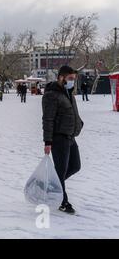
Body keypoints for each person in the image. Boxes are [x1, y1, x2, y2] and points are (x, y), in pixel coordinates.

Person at [42, 66, 84, 214]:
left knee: (75, 166)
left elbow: (72, 112)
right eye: (71, 78)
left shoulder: (68, 93)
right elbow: (48, 119)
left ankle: (51, 187)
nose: (73, 81)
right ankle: (63, 201)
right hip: (59, 138)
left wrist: (79, 123)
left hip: (70, 136)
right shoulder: (51, 95)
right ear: (61, 77)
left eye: (74, 79)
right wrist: (48, 141)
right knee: (60, 171)